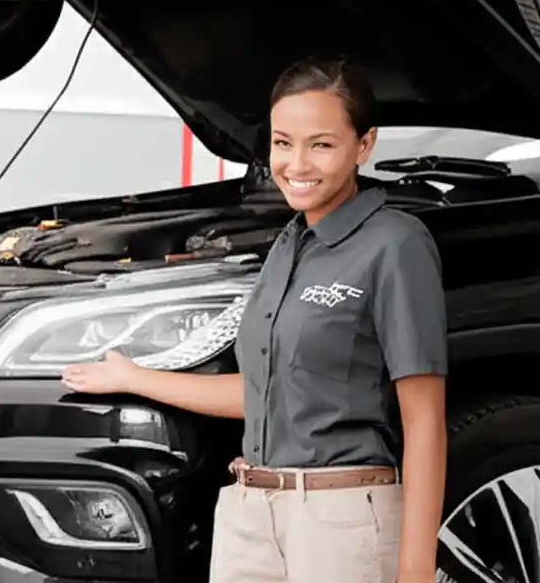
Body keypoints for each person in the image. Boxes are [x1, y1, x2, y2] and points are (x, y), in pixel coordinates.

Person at [62, 58, 447, 583]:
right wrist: (134, 379)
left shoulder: (395, 243)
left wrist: (416, 568)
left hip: (340, 518)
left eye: (322, 144)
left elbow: (424, 420)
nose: (297, 164)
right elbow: (262, 393)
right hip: (249, 513)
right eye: (284, 143)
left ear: (365, 144)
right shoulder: (287, 247)